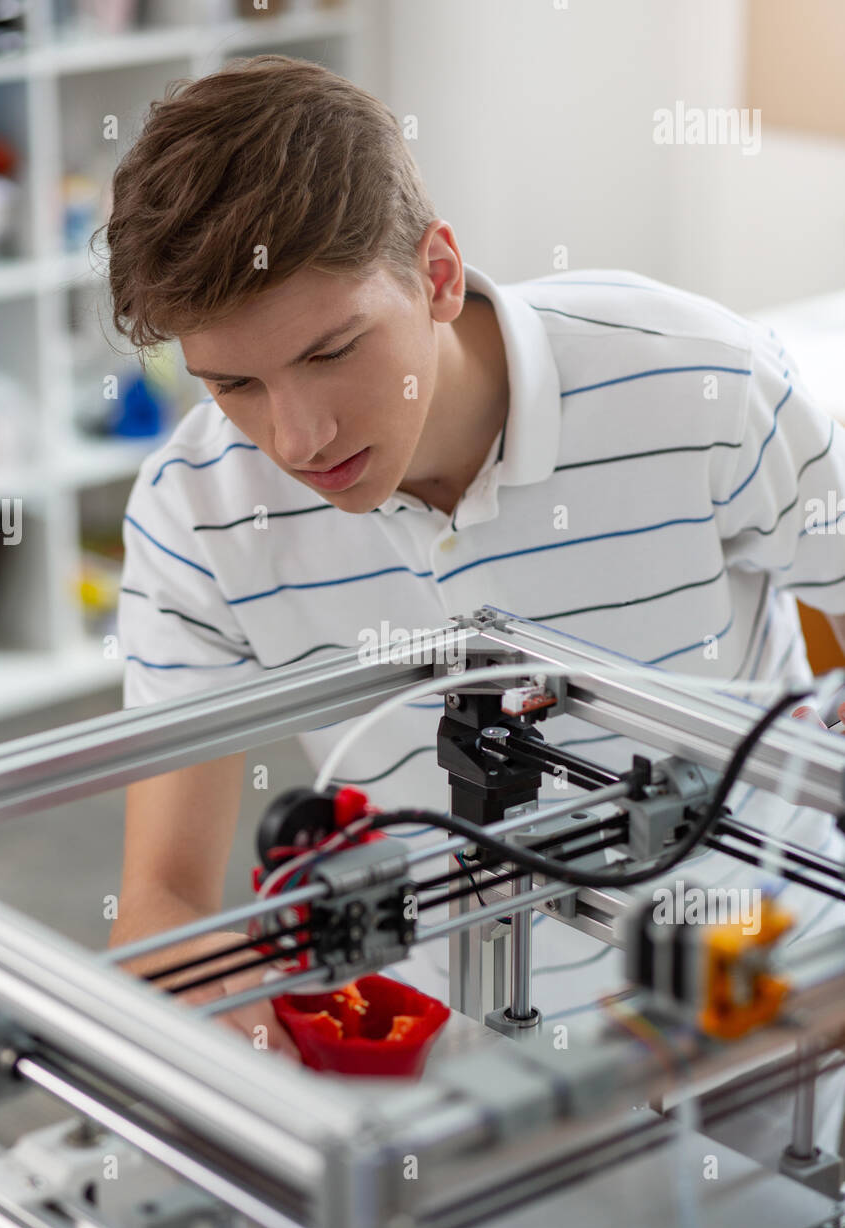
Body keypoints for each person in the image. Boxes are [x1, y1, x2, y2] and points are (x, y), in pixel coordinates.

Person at [104, 54, 845, 1160]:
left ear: (437, 272)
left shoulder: (698, 383)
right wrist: (257, 1078)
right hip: (458, 1074)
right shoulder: (194, 513)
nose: (296, 437)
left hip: (756, 1016)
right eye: (234, 384)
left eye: (330, 350)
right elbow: (161, 895)